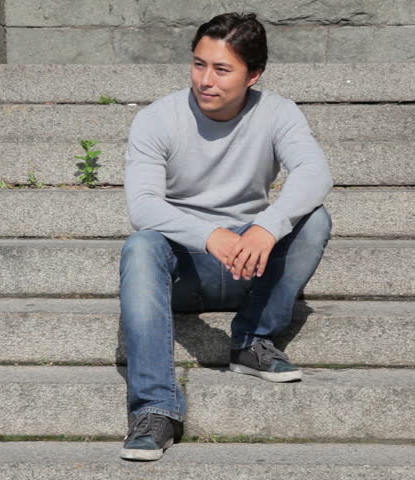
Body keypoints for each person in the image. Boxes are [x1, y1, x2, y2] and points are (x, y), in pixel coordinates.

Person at [119, 12, 333, 461]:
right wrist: (207, 233)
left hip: (247, 263)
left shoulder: (277, 112)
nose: (205, 80)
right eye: (199, 64)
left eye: (222, 69)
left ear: (253, 75)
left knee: (314, 220)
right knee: (141, 246)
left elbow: (315, 173)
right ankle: (155, 408)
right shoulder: (157, 119)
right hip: (182, 269)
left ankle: (252, 342)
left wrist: (265, 226)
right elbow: (143, 206)